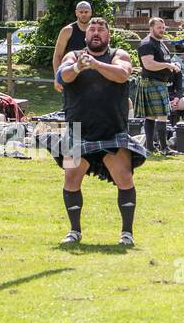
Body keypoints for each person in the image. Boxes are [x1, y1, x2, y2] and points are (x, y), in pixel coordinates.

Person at [54, 17, 146, 247]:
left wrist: (96, 65)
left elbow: (123, 74)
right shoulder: (73, 56)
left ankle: (127, 233)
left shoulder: (118, 54)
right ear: (85, 35)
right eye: (92, 30)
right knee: (71, 179)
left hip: (111, 128)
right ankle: (74, 231)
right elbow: (63, 76)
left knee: (124, 178)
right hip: (78, 129)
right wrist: (78, 67)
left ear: (108, 36)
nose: (96, 33)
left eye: (101, 30)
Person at [136, 17, 182, 156]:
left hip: (158, 82)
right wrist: (168, 66)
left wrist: (174, 65)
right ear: (151, 28)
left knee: (152, 116)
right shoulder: (146, 44)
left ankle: (151, 147)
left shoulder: (160, 43)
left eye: (163, 28)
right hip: (151, 82)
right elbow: (148, 64)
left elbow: (164, 59)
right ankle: (163, 148)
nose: (162, 30)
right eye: (159, 28)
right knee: (161, 115)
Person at [51, 1, 93, 96]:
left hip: (92, 75)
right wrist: (57, 77)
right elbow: (58, 55)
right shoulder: (67, 31)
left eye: (86, 12)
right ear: (76, 13)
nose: (83, 14)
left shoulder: (96, 30)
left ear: (91, 12)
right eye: (81, 12)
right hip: (71, 73)